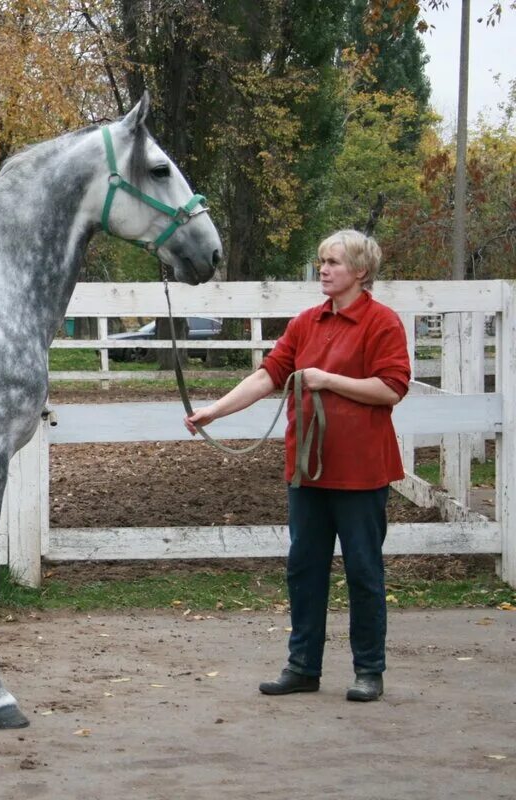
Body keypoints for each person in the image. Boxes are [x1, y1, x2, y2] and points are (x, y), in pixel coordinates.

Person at [184, 229, 410, 702]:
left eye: (334, 262)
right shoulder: (306, 322)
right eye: (321, 261)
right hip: (307, 470)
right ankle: (303, 665)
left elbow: (391, 388)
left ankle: (369, 670)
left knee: (364, 572)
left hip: (362, 471)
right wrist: (215, 410)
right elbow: (268, 375)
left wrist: (328, 379)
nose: (323, 269)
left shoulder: (381, 323)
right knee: (303, 568)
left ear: (361, 271)